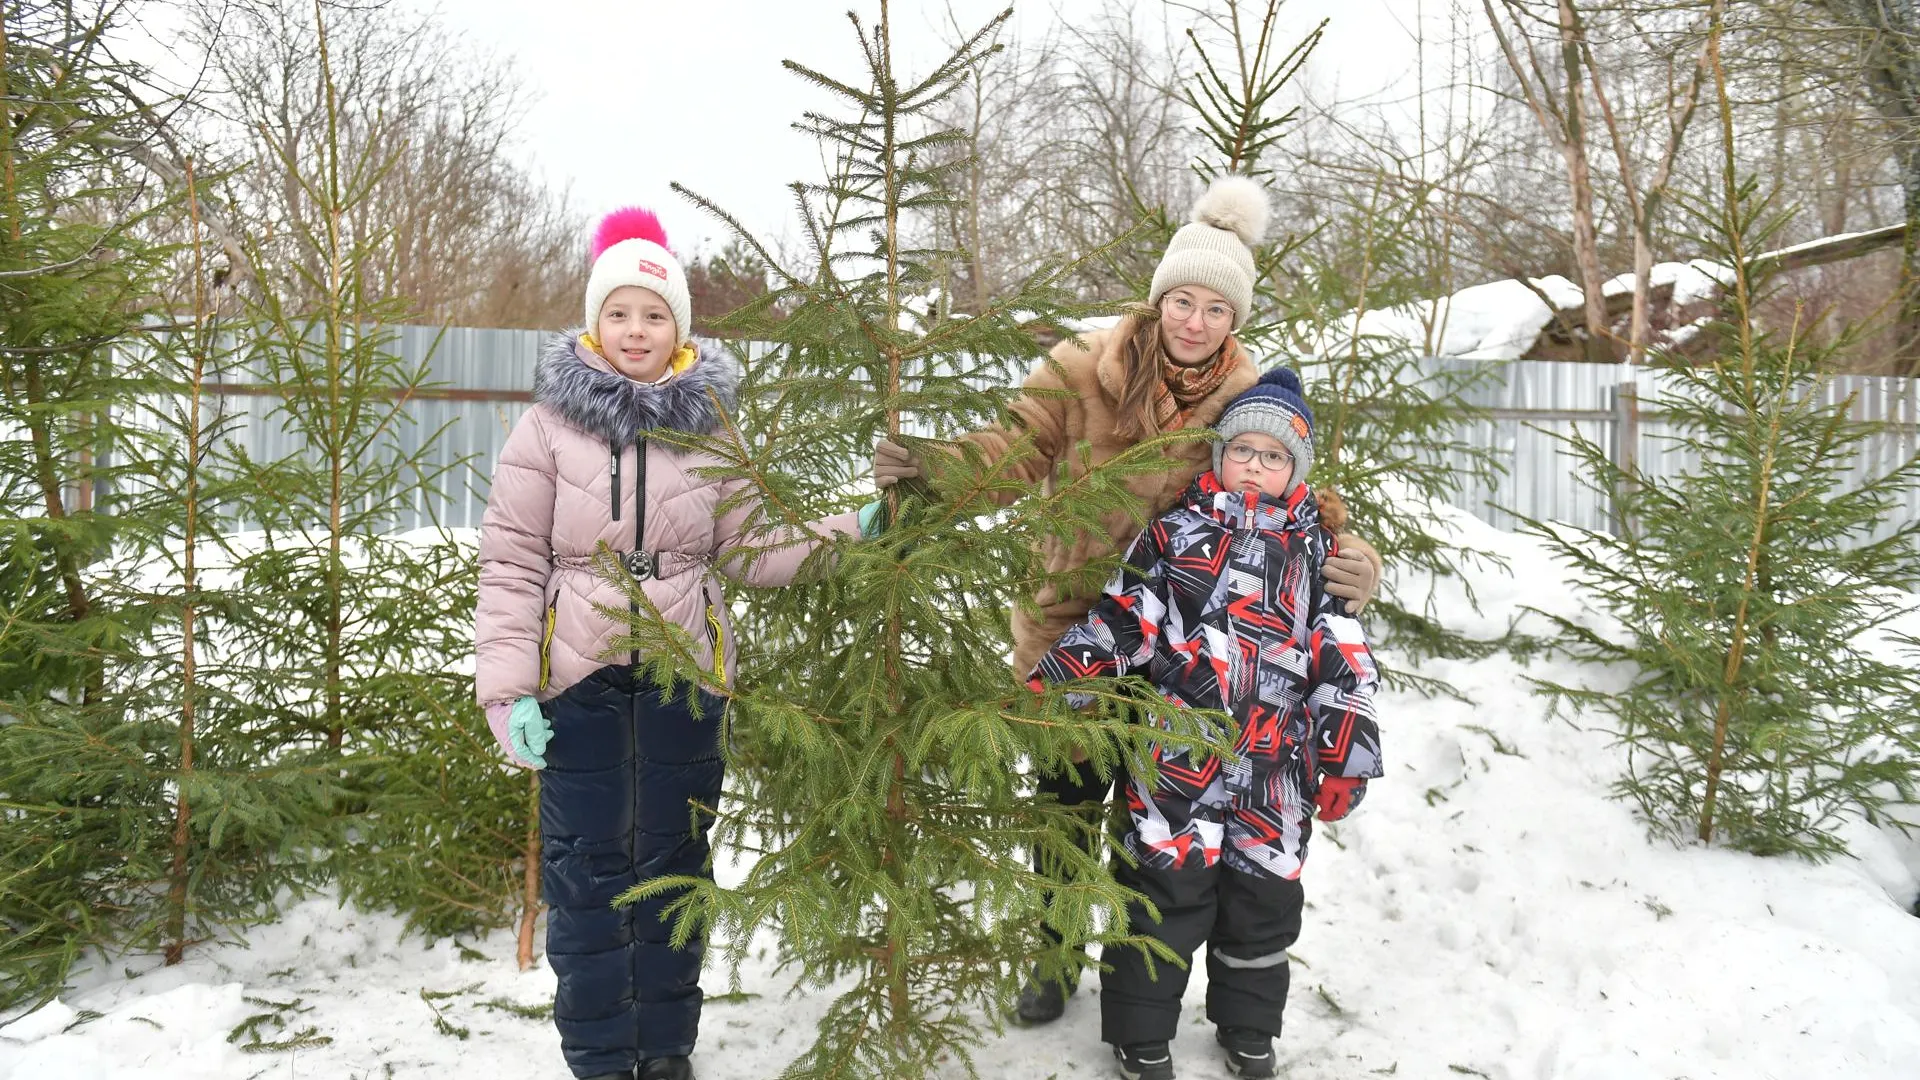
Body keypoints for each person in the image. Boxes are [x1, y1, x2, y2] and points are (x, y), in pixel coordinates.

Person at [871, 176, 1383, 1024]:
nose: (1195, 322)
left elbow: (1296, 503)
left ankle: (1135, 971)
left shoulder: (1244, 398)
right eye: (1182, 300)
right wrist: (936, 468)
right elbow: (1010, 451)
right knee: (1068, 808)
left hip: (1191, 657)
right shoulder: (1080, 369)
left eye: (1217, 310)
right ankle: (1052, 953)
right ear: (1157, 300)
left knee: (1155, 826)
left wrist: (1358, 561)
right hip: (1075, 631)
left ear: (1235, 321)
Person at [474, 208, 881, 1080]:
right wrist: (507, 695)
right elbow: (509, 565)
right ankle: (597, 1057)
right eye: (619, 312)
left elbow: (757, 546)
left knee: (672, 871)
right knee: (587, 882)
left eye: (654, 315)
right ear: (594, 321)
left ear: (679, 330)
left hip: (684, 683)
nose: (635, 330)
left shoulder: (709, 428)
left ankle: (665, 1053)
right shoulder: (545, 429)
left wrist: (854, 528)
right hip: (575, 685)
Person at [1027, 366, 1384, 1080]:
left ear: (1296, 470)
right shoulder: (1174, 536)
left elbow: (1342, 659)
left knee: (1264, 901)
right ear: (1220, 456)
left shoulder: (1317, 555)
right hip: (1176, 768)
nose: (1256, 464)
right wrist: (1062, 674)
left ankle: (1249, 1026)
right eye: (1242, 450)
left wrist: (1346, 756)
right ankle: (1140, 1033)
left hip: (1273, 774)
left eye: (1274, 455)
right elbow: (1126, 616)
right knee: (1160, 893)